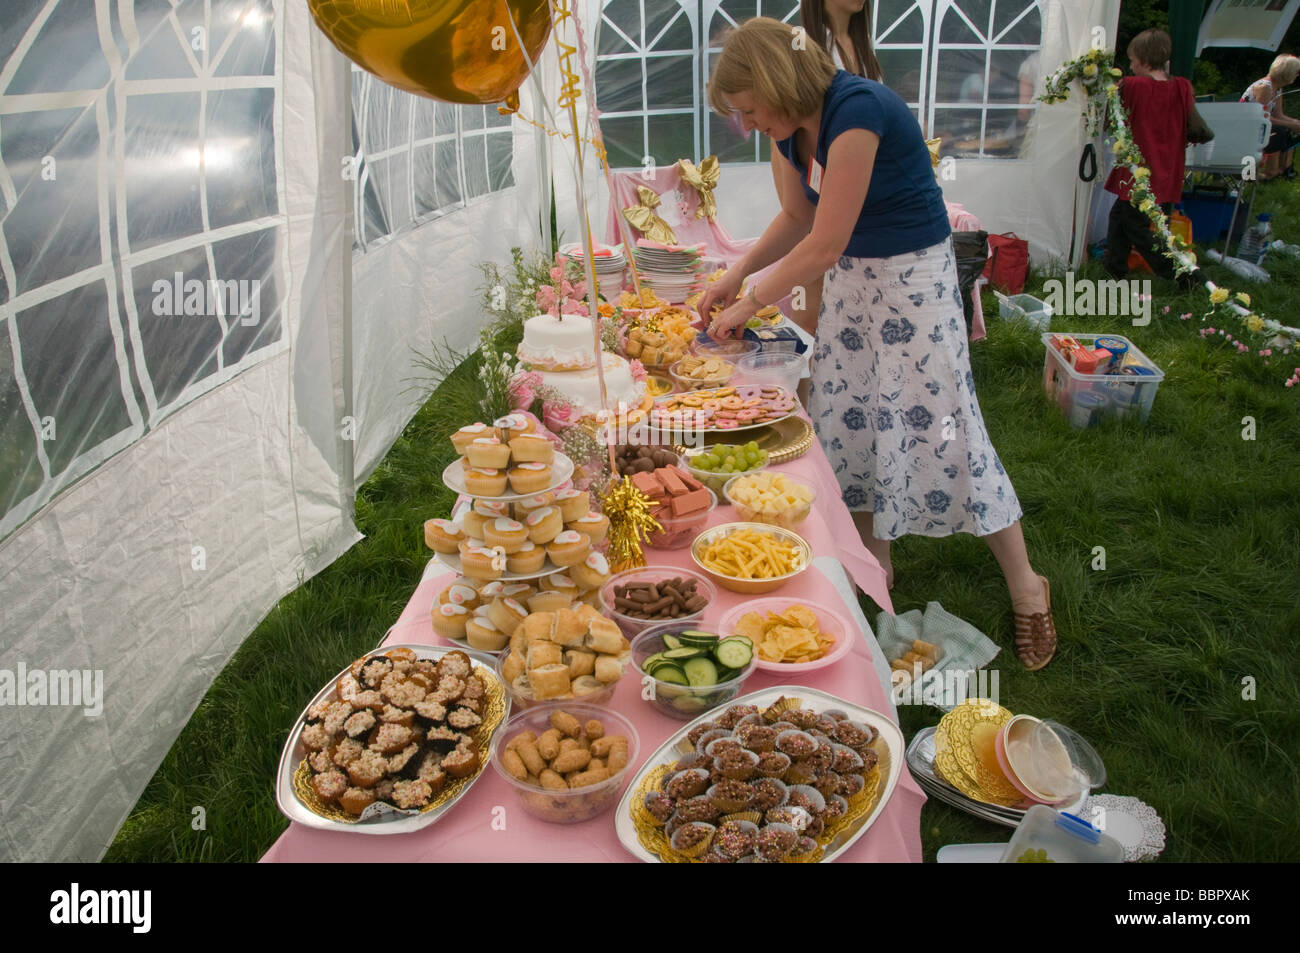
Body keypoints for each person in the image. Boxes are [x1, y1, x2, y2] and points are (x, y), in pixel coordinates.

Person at [698, 17, 1057, 671]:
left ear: (776, 82)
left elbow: (825, 241)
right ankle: (876, 574)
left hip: (912, 282)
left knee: (954, 434)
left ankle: (1028, 586)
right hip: (856, 285)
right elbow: (797, 219)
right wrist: (733, 276)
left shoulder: (856, 109)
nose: (747, 125)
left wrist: (753, 302)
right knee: (849, 426)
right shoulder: (788, 131)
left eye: (749, 110)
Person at [771, 1, 883, 406]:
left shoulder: (861, 45)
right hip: (818, 182)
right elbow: (796, 214)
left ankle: (839, 408)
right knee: (809, 304)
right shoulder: (802, 42)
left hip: (854, 202)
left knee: (852, 323)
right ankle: (802, 409)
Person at [1102, 29, 1199, 286]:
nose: (1131, 67)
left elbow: (1112, 118)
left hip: (1141, 168)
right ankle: (1114, 268)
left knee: (1138, 228)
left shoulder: (1133, 86)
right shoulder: (1182, 87)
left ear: (1144, 61)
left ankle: (1179, 272)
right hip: (1167, 166)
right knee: (1120, 217)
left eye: (1133, 61)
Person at [1240, 53, 1300, 181]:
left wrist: (1295, 122)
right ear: (1287, 72)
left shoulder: (1277, 88)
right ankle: (1268, 173)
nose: (1297, 75)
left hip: (1258, 126)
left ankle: (1283, 169)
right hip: (1246, 127)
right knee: (1279, 130)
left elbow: (1279, 115)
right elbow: (1261, 117)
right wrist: (1291, 124)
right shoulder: (1265, 87)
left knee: (1289, 129)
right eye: (1296, 72)